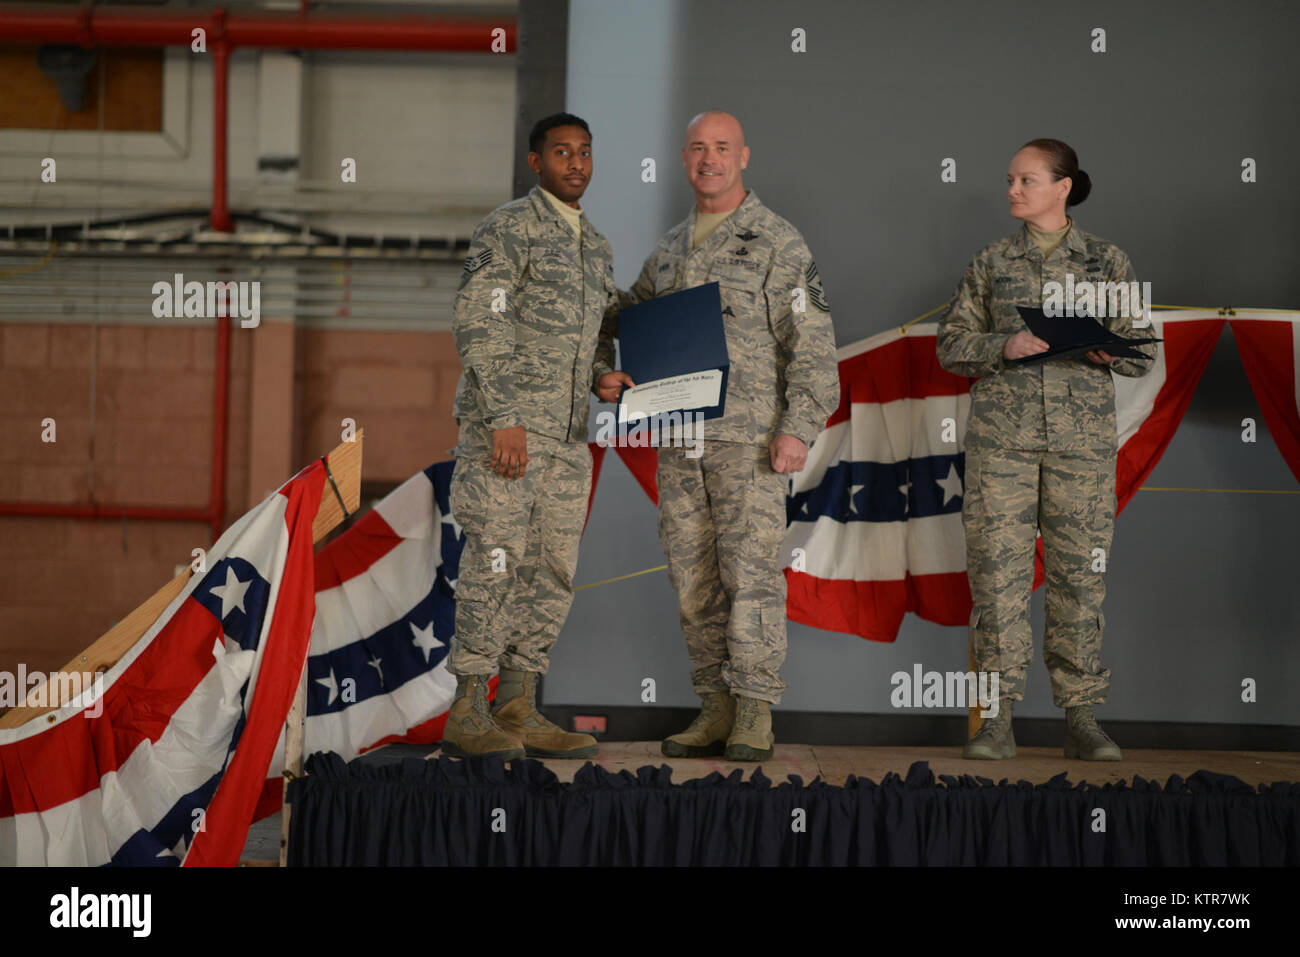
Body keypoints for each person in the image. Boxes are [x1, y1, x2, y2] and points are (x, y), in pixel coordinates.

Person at [617, 110, 839, 761]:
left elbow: (814, 350)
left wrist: (797, 429)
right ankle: (714, 707)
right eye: (696, 148)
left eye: (721, 147)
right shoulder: (670, 248)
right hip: (680, 440)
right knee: (692, 579)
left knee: (751, 576)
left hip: (750, 443)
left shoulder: (778, 241)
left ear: (744, 155)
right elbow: (630, 317)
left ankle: (753, 710)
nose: (708, 158)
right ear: (684, 158)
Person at [936, 138, 1155, 761]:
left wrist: (1111, 349)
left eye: (1026, 180)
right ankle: (997, 720)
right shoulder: (990, 261)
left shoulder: (1108, 262)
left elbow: (1144, 349)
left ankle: (1083, 719)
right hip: (1001, 446)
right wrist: (1002, 346)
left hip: (1081, 449)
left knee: (1079, 581)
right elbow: (951, 345)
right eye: (1011, 179)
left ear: (1063, 187)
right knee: (997, 580)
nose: (1012, 190)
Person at [443, 112, 634, 760]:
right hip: (510, 434)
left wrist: (606, 378)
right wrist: (505, 418)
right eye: (561, 152)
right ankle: (468, 708)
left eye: (585, 152)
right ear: (536, 162)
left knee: (550, 571)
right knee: (493, 564)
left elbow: (592, 343)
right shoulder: (510, 226)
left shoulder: (598, 247)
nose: (576, 164)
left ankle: (518, 704)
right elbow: (478, 319)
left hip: (567, 439)